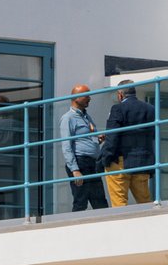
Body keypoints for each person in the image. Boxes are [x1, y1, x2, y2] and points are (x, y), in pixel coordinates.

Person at [104, 80, 156, 206]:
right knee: (144, 201)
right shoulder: (150, 108)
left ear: (120, 94)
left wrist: (106, 157)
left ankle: (121, 225)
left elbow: (112, 135)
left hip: (120, 160)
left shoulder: (117, 108)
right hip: (142, 160)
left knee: (119, 201)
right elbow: (153, 134)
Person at [60, 83, 108, 212]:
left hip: (93, 163)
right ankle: (74, 229)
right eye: (86, 96)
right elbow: (66, 145)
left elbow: (85, 139)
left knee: (100, 201)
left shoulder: (87, 117)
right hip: (80, 162)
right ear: (76, 97)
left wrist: (98, 140)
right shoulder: (68, 118)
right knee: (81, 200)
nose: (89, 98)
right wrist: (75, 170)